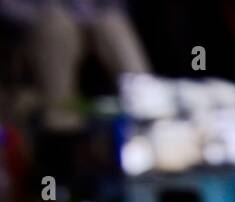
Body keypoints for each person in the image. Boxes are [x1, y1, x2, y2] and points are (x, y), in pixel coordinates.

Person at [1, 0, 150, 131]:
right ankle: (62, 130)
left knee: (113, 22)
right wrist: (42, 16)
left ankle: (151, 115)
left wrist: (87, 17)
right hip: (40, 24)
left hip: (92, 17)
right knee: (57, 27)